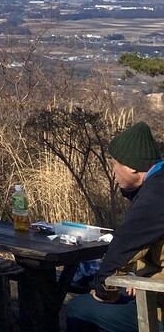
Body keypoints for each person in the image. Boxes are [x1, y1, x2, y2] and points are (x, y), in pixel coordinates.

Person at [66, 121, 164, 332]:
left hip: (160, 307)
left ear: (131, 167)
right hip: (154, 287)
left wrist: (102, 290)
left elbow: (122, 249)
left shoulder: (155, 196)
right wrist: (137, 276)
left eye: (114, 165)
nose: (113, 172)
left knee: (79, 308)